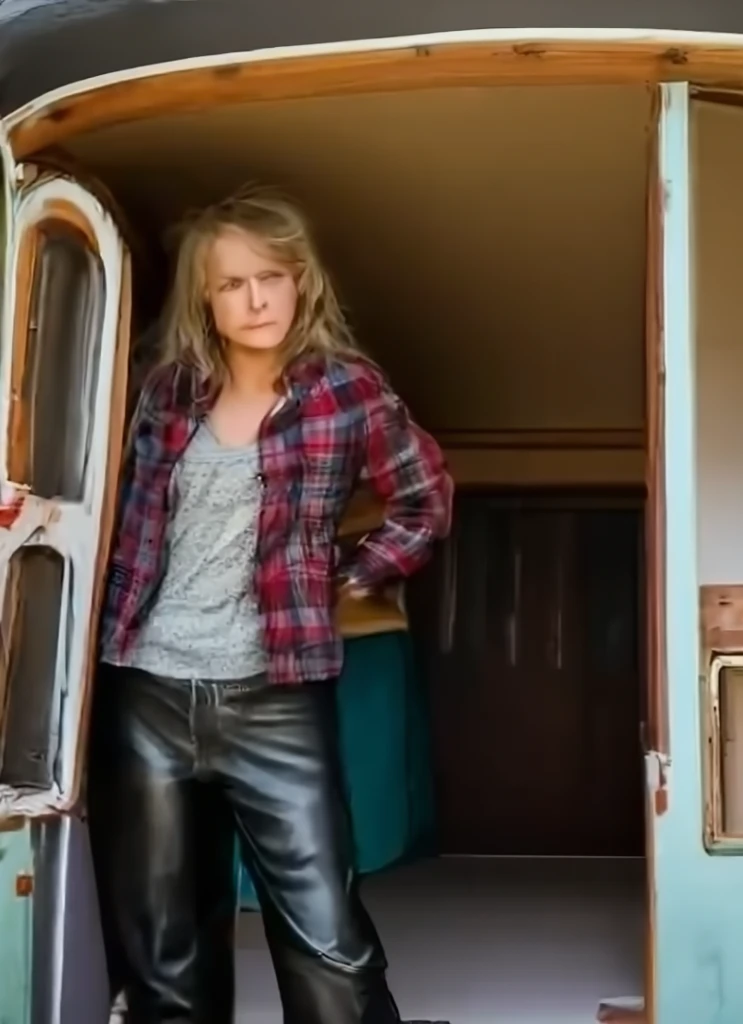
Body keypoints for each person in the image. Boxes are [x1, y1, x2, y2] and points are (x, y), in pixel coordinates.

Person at [86, 186, 453, 1024]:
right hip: (145, 689)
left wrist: (351, 576)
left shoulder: (347, 392)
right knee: (164, 945)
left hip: (276, 695)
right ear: (205, 300)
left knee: (327, 938)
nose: (255, 300)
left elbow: (424, 500)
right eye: (231, 284)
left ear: (301, 283)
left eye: (271, 278)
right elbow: (107, 515)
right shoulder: (165, 393)